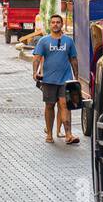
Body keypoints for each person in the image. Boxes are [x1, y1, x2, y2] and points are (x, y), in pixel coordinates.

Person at [32, 13, 80, 145]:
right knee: (49, 106)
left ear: (62, 24)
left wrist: (76, 77)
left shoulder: (69, 41)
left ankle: (68, 134)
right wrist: (34, 73)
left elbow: (73, 59)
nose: (55, 24)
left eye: (58, 22)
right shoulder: (44, 41)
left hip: (65, 80)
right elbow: (36, 57)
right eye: (53, 22)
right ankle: (49, 133)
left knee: (65, 105)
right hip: (48, 80)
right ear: (50, 25)